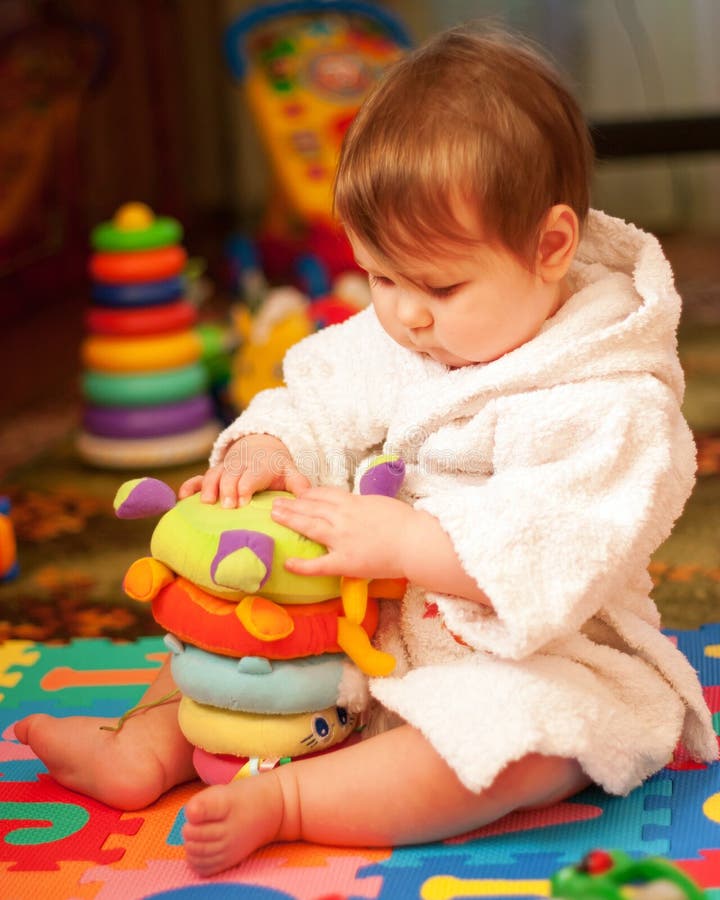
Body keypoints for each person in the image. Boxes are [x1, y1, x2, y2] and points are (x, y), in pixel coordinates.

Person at [15, 24, 717, 878]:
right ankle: (144, 745)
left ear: (550, 246)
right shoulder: (406, 329)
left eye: (439, 285)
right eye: (381, 277)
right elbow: (317, 396)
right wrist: (268, 445)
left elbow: (564, 541)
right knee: (234, 638)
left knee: (521, 741)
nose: (405, 315)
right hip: (360, 623)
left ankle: (291, 801)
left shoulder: (609, 394)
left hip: (539, 653)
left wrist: (411, 544)